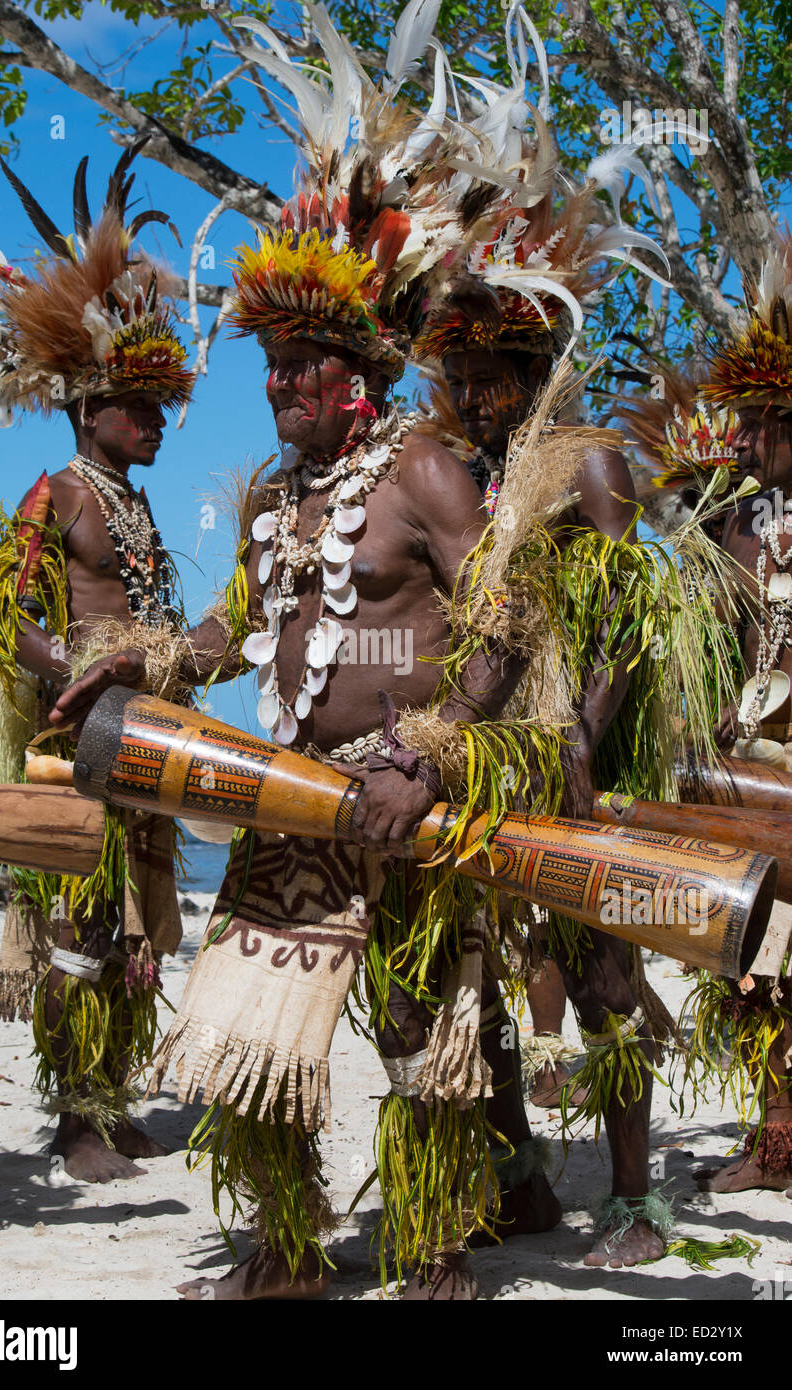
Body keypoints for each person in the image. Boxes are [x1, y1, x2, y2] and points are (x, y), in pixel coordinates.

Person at [52, 1, 569, 1299]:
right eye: (272, 369)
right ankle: (283, 1257)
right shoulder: (268, 496)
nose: (277, 388)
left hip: (402, 793)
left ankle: (442, 1247)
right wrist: (147, 661)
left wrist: (436, 755)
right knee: (249, 1040)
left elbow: (509, 618)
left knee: (419, 1039)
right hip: (284, 800)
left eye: (299, 369)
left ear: (357, 372)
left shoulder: (424, 470)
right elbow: (242, 625)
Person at [414, 81, 722, 1264]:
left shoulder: (589, 463)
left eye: (501, 366)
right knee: (480, 971)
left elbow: (632, 618)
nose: (480, 391)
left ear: (543, 352)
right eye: (467, 371)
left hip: (566, 751)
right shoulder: (455, 468)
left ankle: (637, 1204)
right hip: (480, 747)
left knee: (600, 964)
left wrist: (582, 736)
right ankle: (519, 1174)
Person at [0, 143, 196, 1182]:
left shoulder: (134, 502)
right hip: (78, 748)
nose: (160, 422)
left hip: (144, 744)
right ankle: (76, 1120)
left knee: (137, 936)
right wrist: (68, 677)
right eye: (142, 408)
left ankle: (115, 1099)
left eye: (163, 408)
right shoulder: (60, 492)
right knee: (80, 932)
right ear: (90, 408)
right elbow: (4, 621)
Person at [683, 233, 792, 1194]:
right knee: (750, 958)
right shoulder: (734, 524)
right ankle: (774, 1140)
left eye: (761, 422)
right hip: (744, 770)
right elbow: (709, 639)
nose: (745, 440)